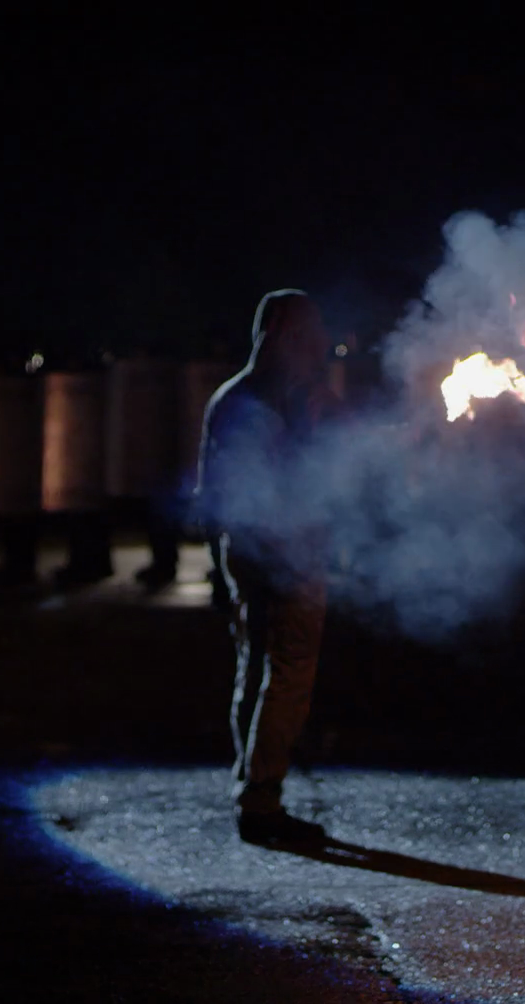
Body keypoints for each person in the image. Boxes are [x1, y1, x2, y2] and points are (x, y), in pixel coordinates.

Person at [193, 289, 338, 846]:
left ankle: (252, 783)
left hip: (251, 553)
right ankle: (261, 799)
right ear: (276, 330)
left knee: (257, 667)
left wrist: (218, 568)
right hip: (281, 553)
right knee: (287, 673)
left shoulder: (237, 396)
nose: (318, 341)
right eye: (307, 330)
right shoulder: (266, 402)